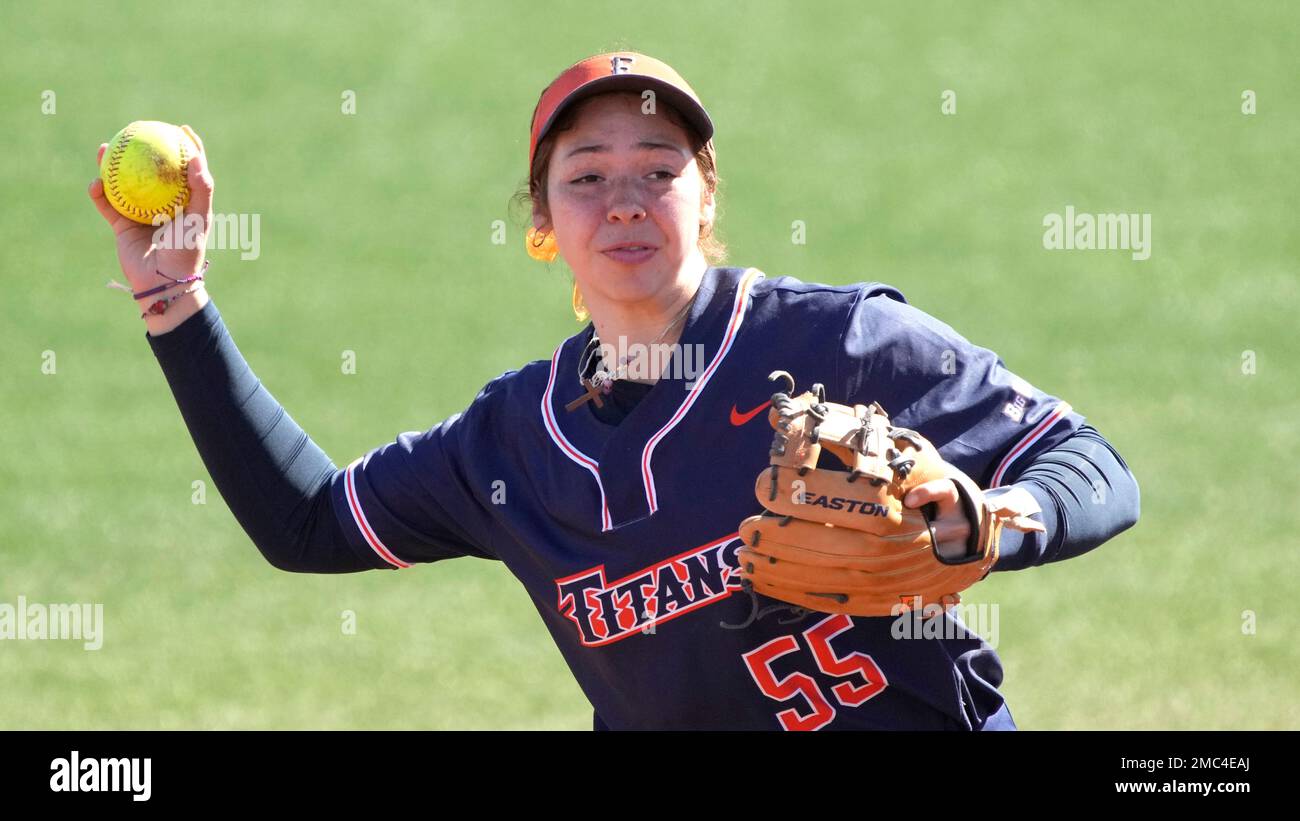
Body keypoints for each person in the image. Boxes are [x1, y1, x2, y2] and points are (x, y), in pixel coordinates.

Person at [88, 51, 1139, 731]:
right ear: (542, 219)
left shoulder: (839, 340)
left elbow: (1092, 463)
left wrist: (996, 517)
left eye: (659, 168)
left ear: (707, 192)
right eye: (585, 176)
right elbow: (307, 523)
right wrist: (175, 302)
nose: (625, 200)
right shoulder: (508, 444)